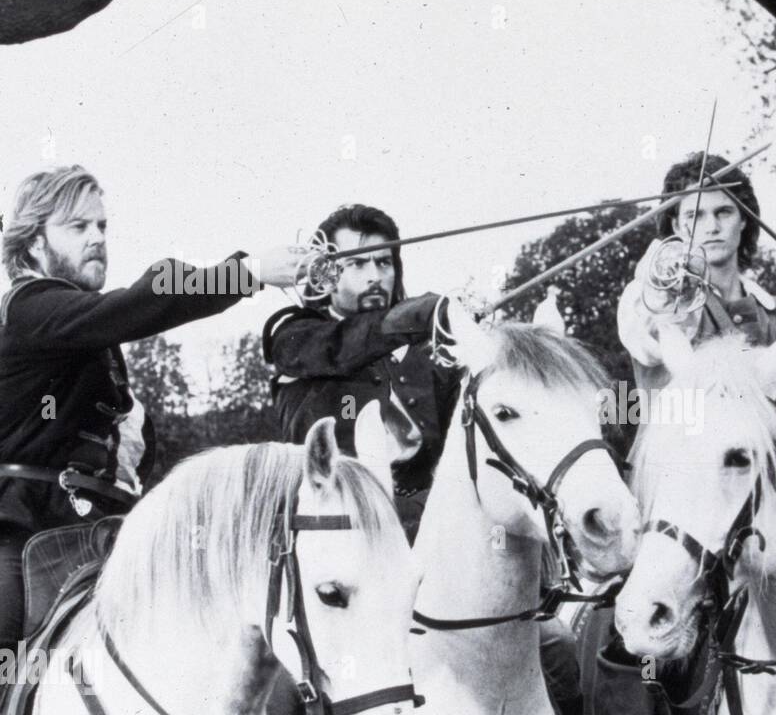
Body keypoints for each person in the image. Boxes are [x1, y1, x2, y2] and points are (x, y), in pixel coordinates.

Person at [588, 152, 776, 715]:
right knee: (617, 631)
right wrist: (659, 273)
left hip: (764, 505)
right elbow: (644, 326)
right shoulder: (661, 303)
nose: (708, 227)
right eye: (690, 216)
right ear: (671, 229)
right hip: (675, 506)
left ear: (746, 223)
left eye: (722, 212)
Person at [0, 164, 302, 665]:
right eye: (78, 228)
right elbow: (144, 302)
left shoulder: (84, 336)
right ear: (32, 244)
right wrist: (248, 274)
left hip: (105, 532)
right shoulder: (31, 308)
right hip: (24, 533)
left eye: (102, 227)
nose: (97, 239)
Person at [261, 204, 461, 541]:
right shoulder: (293, 331)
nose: (374, 276)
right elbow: (342, 347)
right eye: (356, 263)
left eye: (384, 262)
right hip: (332, 534)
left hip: (429, 531)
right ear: (324, 275)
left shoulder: (429, 351)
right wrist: (422, 315)